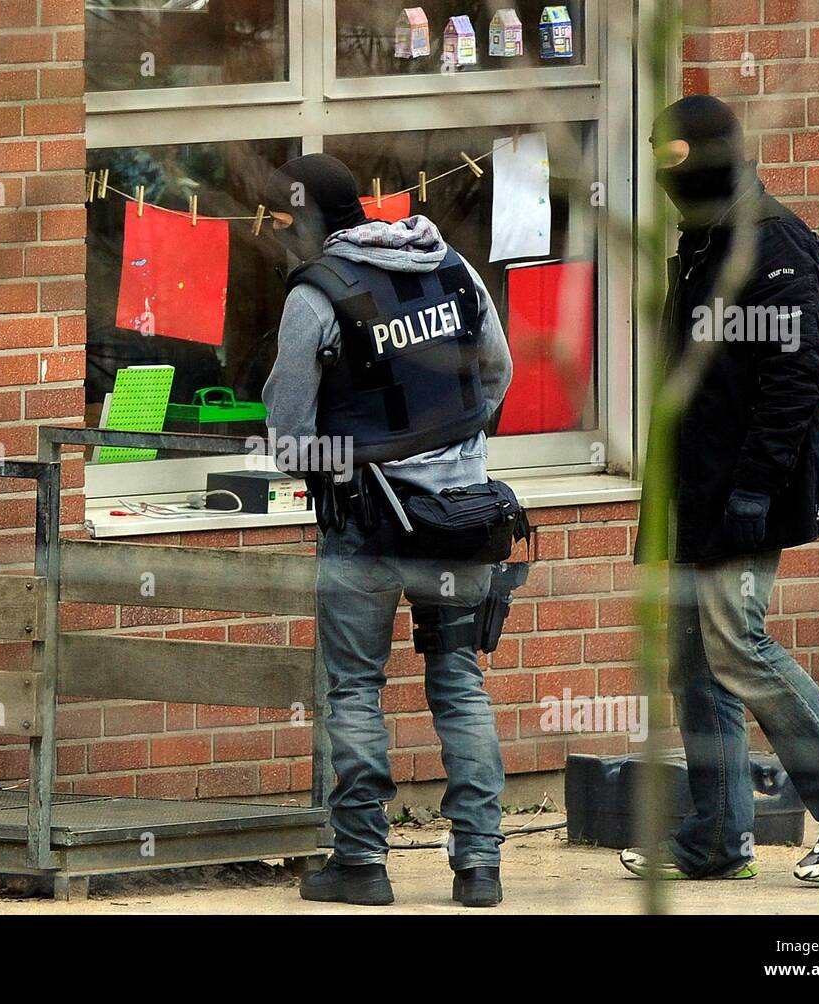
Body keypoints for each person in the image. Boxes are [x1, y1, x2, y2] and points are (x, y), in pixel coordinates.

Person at [625, 95, 819, 883]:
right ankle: (716, 837)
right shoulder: (702, 238)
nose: (661, 176)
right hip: (691, 488)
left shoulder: (774, 240)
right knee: (694, 662)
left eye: (672, 158)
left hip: (745, 491)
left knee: (739, 647)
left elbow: (791, 381)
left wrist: (753, 489)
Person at [260, 154, 514, 907]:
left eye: (277, 220)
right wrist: (452, 455)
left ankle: (362, 865)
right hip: (463, 521)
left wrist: (357, 455)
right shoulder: (451, 268)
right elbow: (495, 374)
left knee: (356, 692)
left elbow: (286, 437)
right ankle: (479, 868)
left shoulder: (316, 296)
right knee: (460, 684)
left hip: (366, 530)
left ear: (305, 219)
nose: (273, 235)